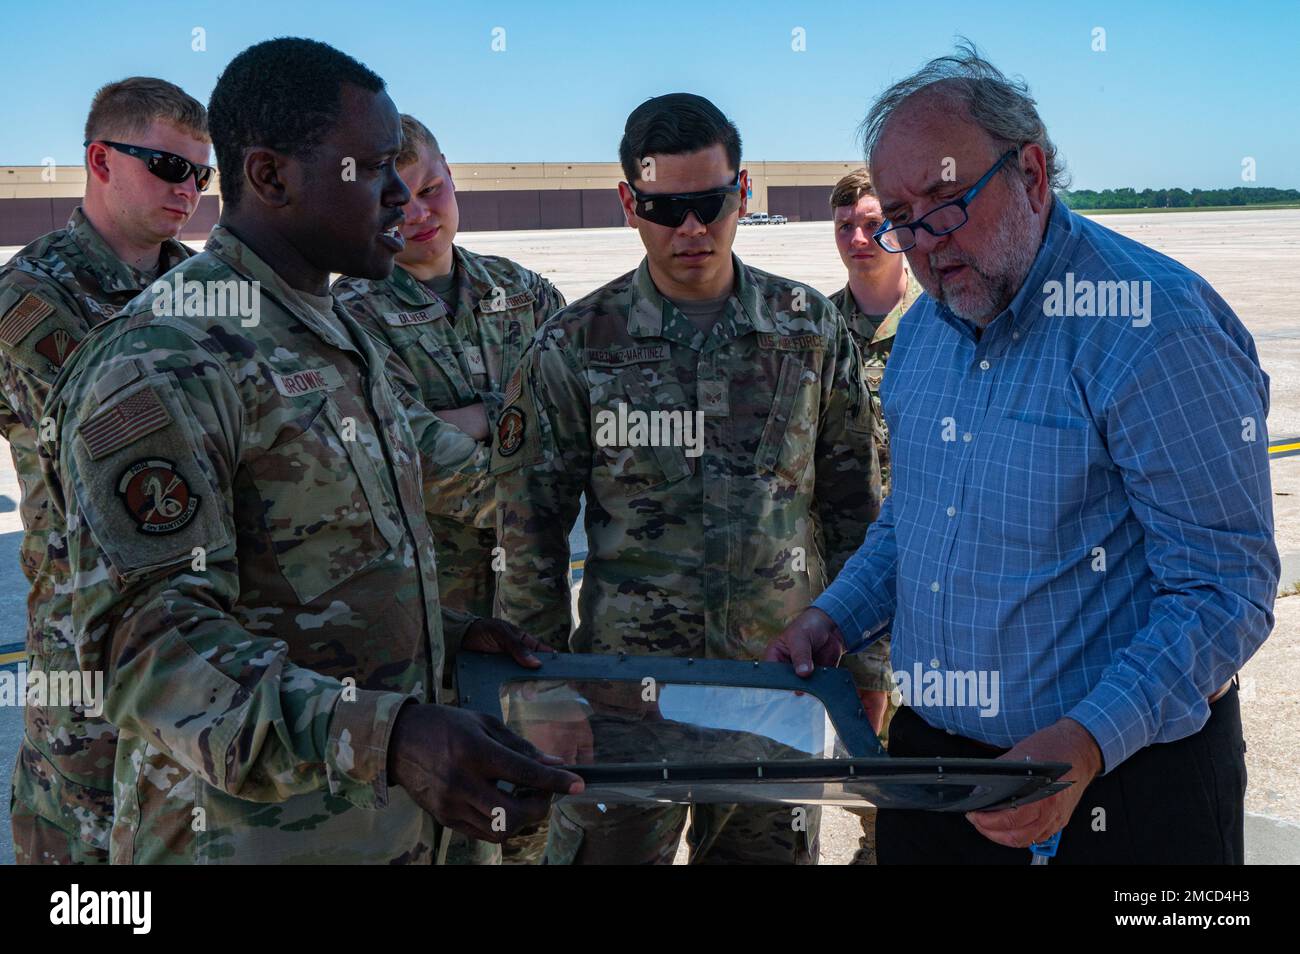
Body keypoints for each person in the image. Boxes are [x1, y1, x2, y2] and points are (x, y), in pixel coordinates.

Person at [41, 37, 580, 864]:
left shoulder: (332, 330)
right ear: (270, 177)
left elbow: (310, 577)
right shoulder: (166, 358)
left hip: (384, 827)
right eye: (370, 169)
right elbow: (154, 655)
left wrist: (442, 634)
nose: (401, 195)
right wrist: (390, 737)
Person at [765, 43, 1277, 864]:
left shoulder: (1154, 326)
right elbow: (913, 524)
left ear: (1032, 173)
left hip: (1123, 783)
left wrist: (1084, 741)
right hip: (934, 770)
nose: (924, 244)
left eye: (945, 201)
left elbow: (1225, 590)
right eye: (900, 216)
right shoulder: (930, 327)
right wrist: (834, 617)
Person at [494, 93, 881, 864]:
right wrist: (541, 687)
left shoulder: (808, 330)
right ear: (627, 204)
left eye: (709, 202)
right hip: (621, 701)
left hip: (774, 691)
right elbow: (528, 531)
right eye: (666, 209)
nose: (692, 230)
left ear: (743, 192)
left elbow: (853, 512)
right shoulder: (575, 345)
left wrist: (867, 664)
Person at [333, 113, 566, 865]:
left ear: (452, 176)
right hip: (424, 631)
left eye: (433, 188)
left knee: (536, 811)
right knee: (438, 827)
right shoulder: (350, 319)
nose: (422, 214)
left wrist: (470, 417)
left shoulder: (528, 295)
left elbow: (582, 432)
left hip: (534, 619)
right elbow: (412, 459)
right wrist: (516, 433)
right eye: (399, 201)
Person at [0, 77, 210, 864]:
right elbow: (153, 437)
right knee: (84, 880)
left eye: (201, 174)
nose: (188, 190)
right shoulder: (32, 296)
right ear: (100, 160)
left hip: (200, 638)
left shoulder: (204, 287)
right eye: (166, 165)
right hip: (90, 655)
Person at [826, 167, 922, 865]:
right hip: (840, 572)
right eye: (845, 226)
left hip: (926, 569)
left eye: (873, 223)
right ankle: (873, 844)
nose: (860, 238)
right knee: (860, 728)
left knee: (921, 725)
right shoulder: (814, 330)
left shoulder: (936, 325)